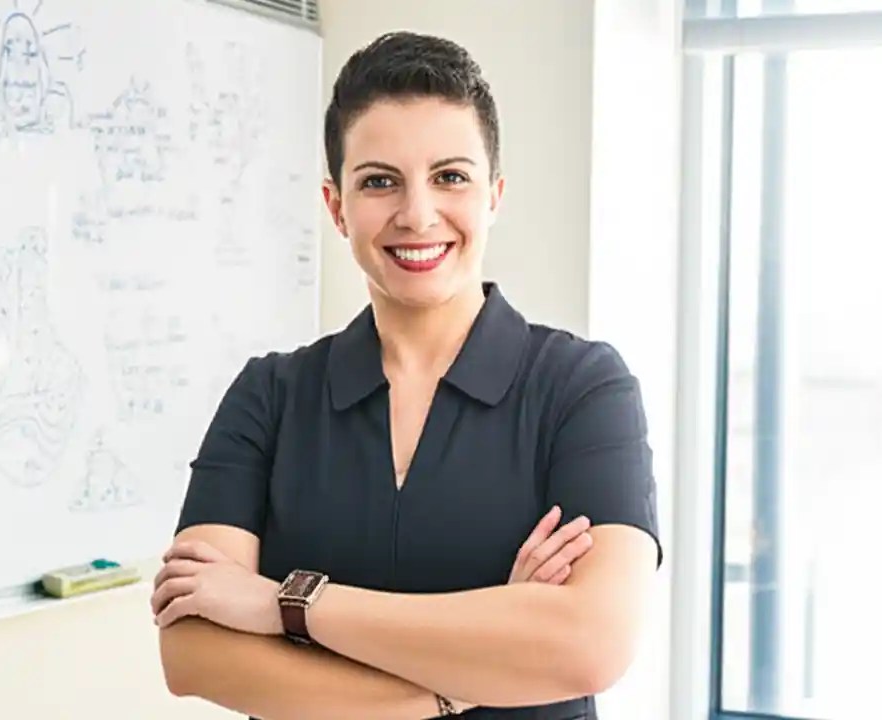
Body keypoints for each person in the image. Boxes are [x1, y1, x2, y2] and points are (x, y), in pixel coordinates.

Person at [150, 30, 662, 719]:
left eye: (450, 176)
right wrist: (463, 683)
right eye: (379, 181)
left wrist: (287, 605)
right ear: (337, 207)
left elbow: (589, 646)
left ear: (493, 195)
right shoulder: (267, 398)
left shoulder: (582, 389)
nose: (417, 214)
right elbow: (195, 655)